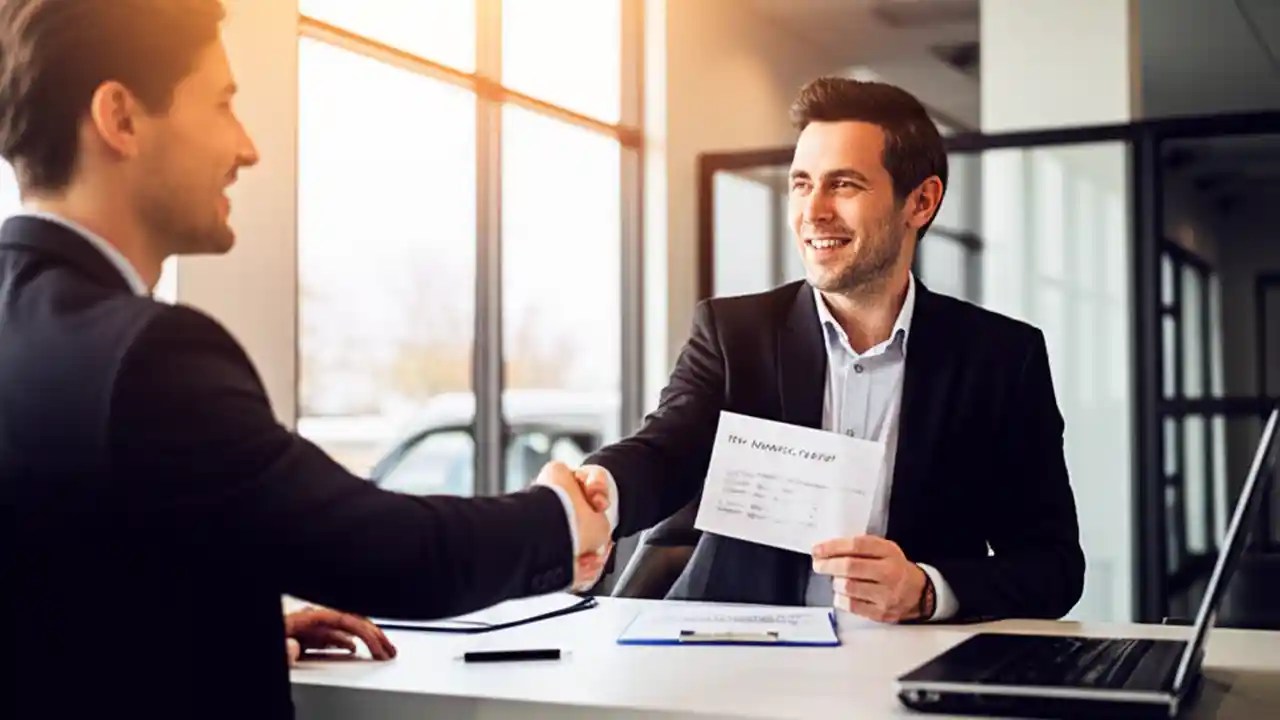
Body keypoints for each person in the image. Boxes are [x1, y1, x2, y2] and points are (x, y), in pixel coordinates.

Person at [0, 1, 609, 717]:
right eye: (223, 104)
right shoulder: (147, 355)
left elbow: (58, 581)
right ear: (121, 118)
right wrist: (559, 520)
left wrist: (223, 621)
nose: (248, 147)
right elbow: (387, 549)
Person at [576, 77, 1085, 624]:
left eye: (842, 185)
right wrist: (596, 493)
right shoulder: (733, 333)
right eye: (801, 184)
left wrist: (926, 591)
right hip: (737, 663)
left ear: (921, 201)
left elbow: (1052, 567)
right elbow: (665, 450)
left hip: (906, 673)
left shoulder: (1002, 360)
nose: (812, 211)